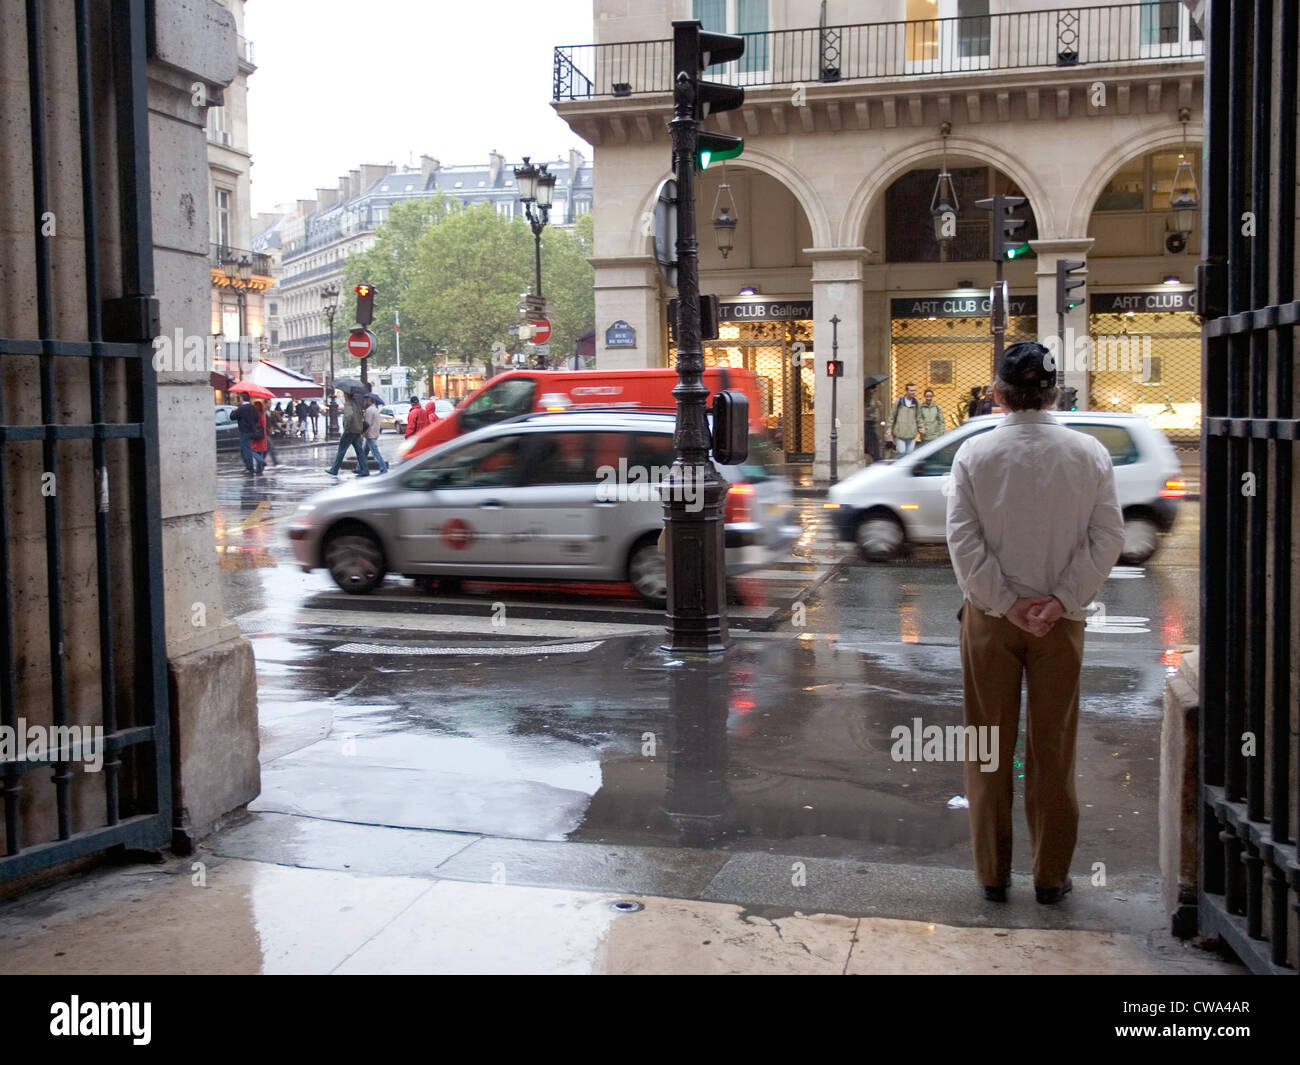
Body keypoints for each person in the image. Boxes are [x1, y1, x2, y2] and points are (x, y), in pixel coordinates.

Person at [945, 341, 1125, 906]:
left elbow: (963, 540)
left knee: (988, 746)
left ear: (996, 394)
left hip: (990, 620)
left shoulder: (973, 455)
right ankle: (1051, 877)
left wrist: (1007, 602)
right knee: (1054, 747)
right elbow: (1108, 537)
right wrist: (1058, 600)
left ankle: (993, 874)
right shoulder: (1090, 453)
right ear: (1053, 393)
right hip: (1061, 621)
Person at [325, 391, 368, 477]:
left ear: (346, 395)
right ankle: (365, 469)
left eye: (344, 394)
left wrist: (346, 427)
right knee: (359, 451)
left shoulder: (348, 404)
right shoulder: (357, 403)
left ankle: (335, 469)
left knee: (342, 449)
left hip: (350, 430)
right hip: (357, 430)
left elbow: (349, 416)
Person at [886, 382, 921, 455]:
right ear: (907, 391)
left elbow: (918, 417)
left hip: (911, 434)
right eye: (911, 391)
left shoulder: (916, 403)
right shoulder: (899, 402)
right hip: (900, 433)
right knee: (901, 454)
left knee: (910, 455)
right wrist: (889, 428)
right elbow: (892, 415)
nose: (913, 392)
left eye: (914, 390)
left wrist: (921, 427)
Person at [231, 395, 262, 474]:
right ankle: (252, 465)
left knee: (246, 450)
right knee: (247, 449)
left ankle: (250, 468)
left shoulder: (241, 408)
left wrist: (233, 411)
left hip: (244, 431)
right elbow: (257, 418)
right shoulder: (253, 408)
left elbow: (232, 417)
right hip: (253, 431)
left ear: (242, 399)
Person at [361, 393, 389, 475]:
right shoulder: (375, 409)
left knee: (375, 452)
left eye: (365, 400)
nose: (364, 402)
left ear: (368, 400)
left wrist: (362, 434)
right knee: (364, 452)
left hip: (370, 434)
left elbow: (367, 423)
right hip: (374, 433)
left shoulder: (369, 410)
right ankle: (359, 467)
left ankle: (383, 468)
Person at [863, 385, 882, 462]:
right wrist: (875, 406)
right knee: (874, 441)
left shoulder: (872, 396)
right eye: (874, 389)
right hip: (868, 422)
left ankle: (875, 457)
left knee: (873, 441)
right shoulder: (866, 397)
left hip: (872, 422)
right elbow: (865, 410)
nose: (875, 390)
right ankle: (876, 458)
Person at [249, 401, 269, 474]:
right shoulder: (263, 414)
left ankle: (261, 461)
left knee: (252, 450)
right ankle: (259, 470)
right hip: (263, 435)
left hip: (256, 434)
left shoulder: (256, 415)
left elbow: (254, 424)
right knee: (260, 451)